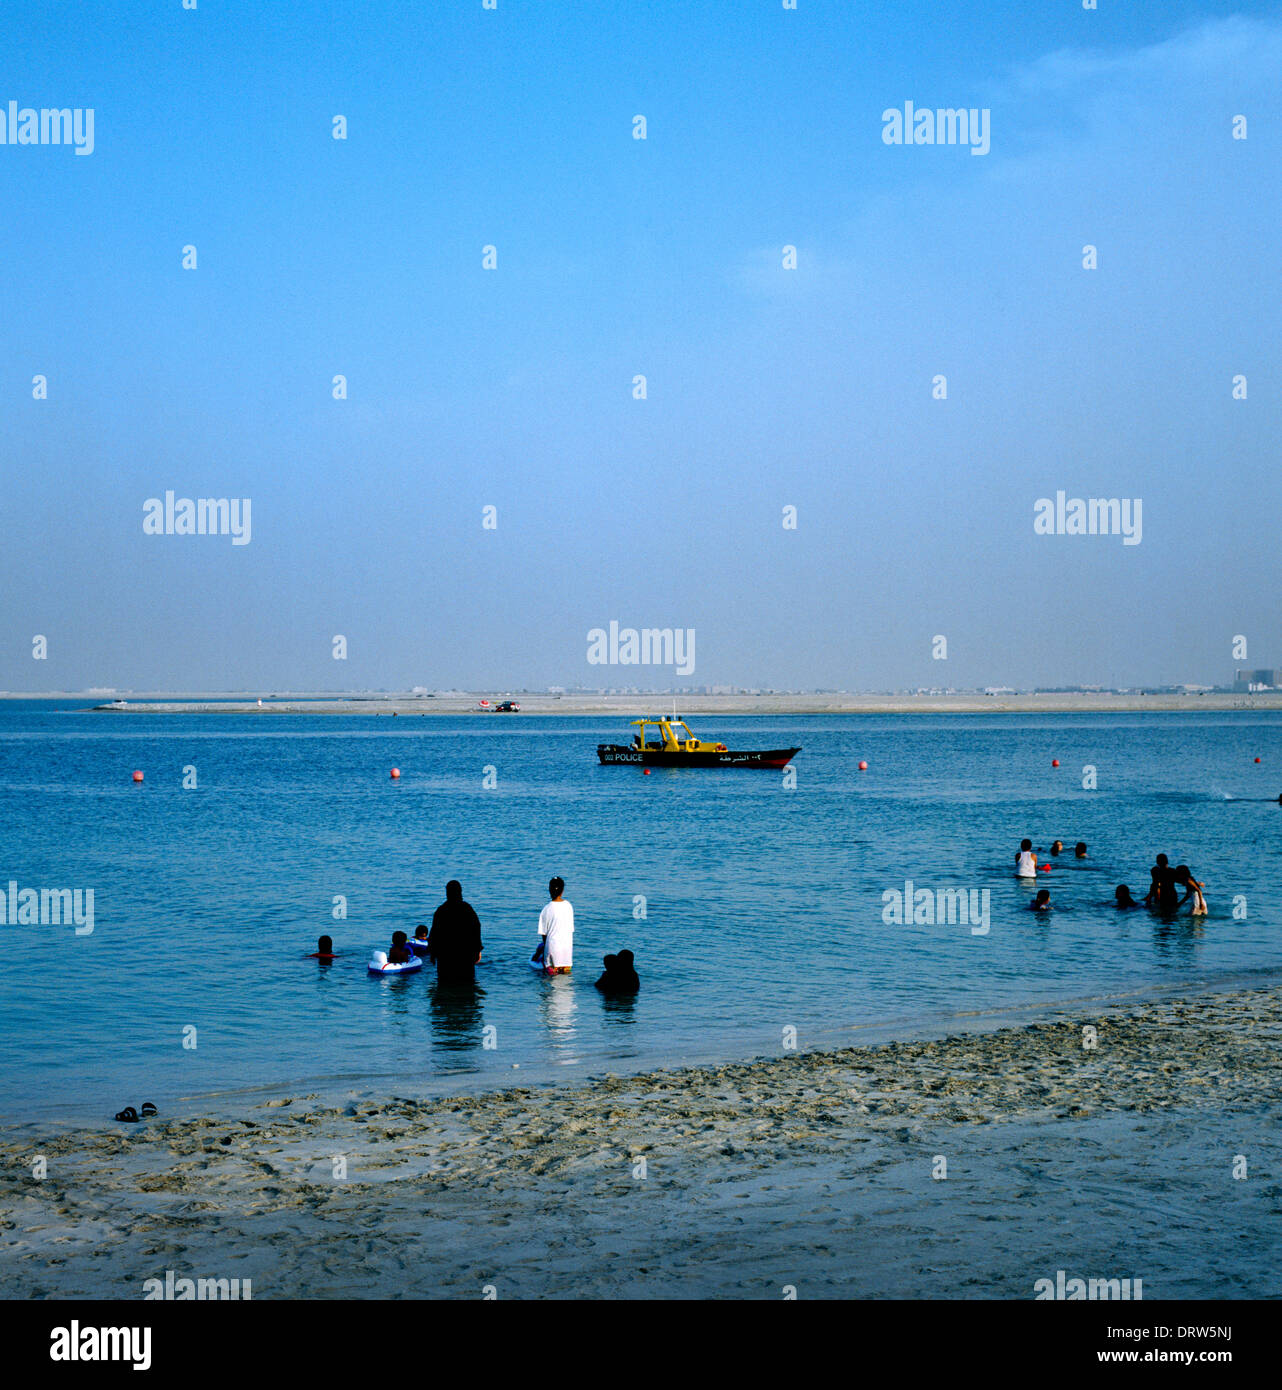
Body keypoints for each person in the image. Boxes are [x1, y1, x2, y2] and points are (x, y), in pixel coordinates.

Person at [427, 881, 484, 982]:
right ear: (460, 892)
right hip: (465, 956)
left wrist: (432, 953)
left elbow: (434, 933)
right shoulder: (467, 909)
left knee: (444, 986)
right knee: (467, 987)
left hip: (445, 957)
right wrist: (478, 950)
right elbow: (476, 929)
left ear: (447, 892)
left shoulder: (441, 910)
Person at [537, 877, 574, 975]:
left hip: (552, 952)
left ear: (549, 890)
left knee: (549, 982)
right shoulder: (569, 906)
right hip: (566, 954)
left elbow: (544, 935)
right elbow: (570, 929)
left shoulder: (546, 909)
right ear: (562, 891)